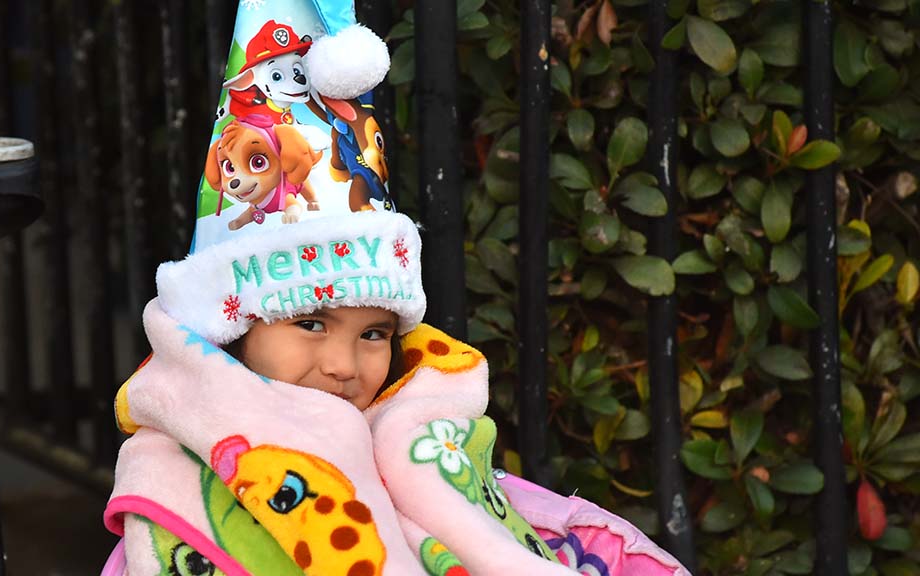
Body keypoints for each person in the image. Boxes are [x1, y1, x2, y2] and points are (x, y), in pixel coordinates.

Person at [100, 2, 691, 575]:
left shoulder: (419, 433)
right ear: (232, 328)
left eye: (375, 333)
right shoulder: (177, 473)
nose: (342, 365)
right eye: (310, 322)